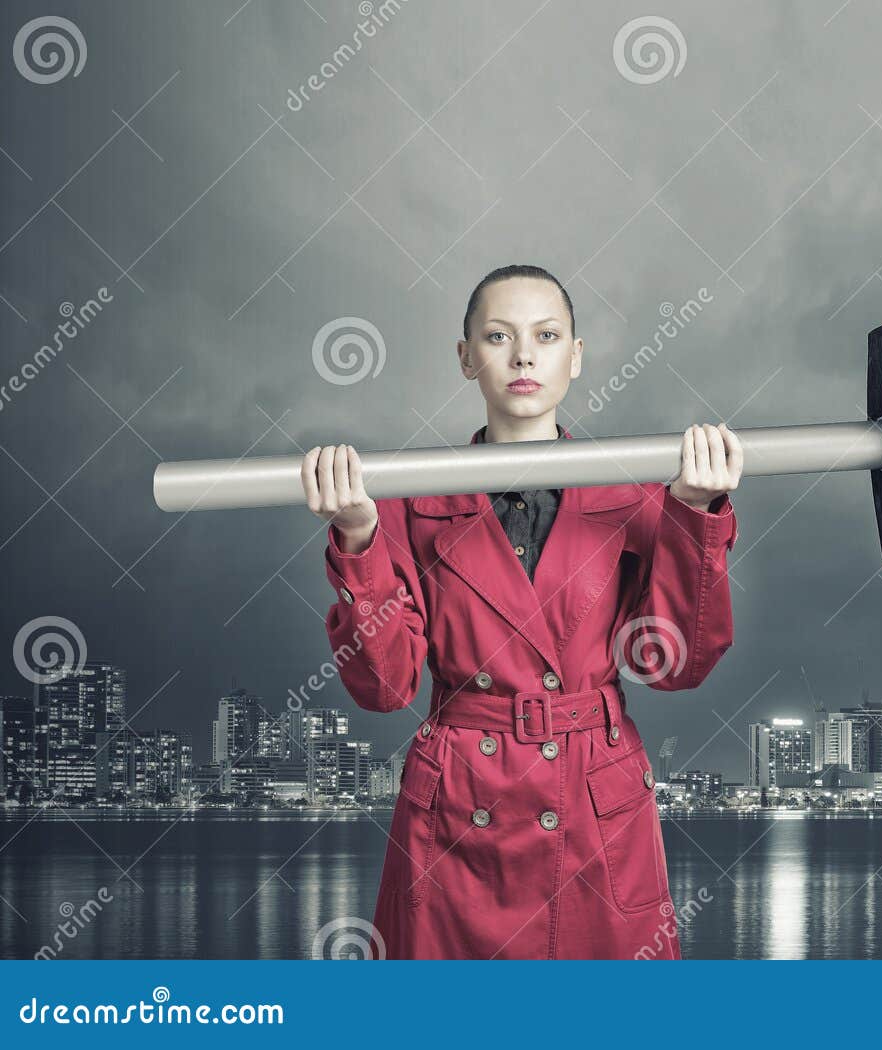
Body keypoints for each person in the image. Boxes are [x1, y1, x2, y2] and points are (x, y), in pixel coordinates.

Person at [300, 264, 742, 959]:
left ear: (576, 356)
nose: (524, 355)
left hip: (595, 804)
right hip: (455, 808)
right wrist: (357, 539)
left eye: (547, 334)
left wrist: (695, 515)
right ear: (466, 355)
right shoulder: (403, 505)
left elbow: (674, 668)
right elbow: (385, 689)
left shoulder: (634, 497)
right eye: (499, 335)